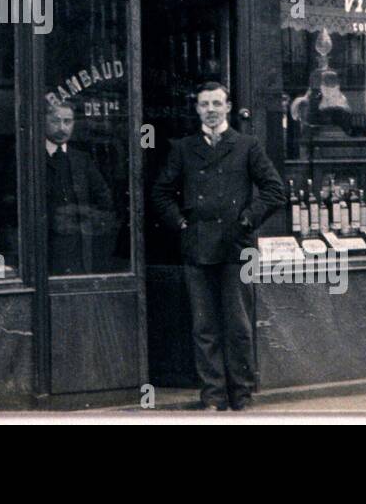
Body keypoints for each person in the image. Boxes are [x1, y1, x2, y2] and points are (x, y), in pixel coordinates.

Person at [152, 82, 285, 410]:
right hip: (197, 248)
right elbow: (160, 193)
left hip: (236, 248)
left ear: (227, 107)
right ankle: (213, 396)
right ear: (196, 109)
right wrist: (182, 223)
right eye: (204, 104)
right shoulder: (183, 148)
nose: (210, 109)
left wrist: (246, 220)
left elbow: (274, 191)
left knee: (238, 325)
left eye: (216, 103)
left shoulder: (247, 145)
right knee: (204, 327)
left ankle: (240, 394)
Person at [44, 101, 120, 275]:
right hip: (44, 244)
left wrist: (85, 217)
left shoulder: (81, 159)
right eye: (55, 121)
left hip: (77, 245)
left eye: (67, 121)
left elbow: (104, 198)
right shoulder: (31, 157)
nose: (61, 127)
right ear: (43, 121)